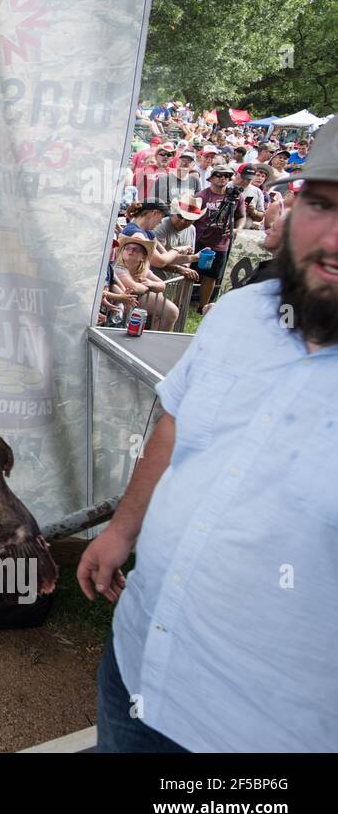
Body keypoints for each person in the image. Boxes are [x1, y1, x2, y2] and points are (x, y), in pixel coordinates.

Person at [78, 160, 338, 752]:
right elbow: (176, 424)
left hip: (263, 731)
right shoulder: (243, 313)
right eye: (322, 204)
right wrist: (123, 530)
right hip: (139, 663)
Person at [192, 165, 245, 313]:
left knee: (211, 276)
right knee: (192, 273)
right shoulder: (201, 196)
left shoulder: (235, 196)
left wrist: (236, 229)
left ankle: (202, 306)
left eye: (227, 176)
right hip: (201, 240)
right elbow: (191, 220)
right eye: (219, 175)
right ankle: (183, 301)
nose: (223, 178)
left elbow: (241, 217)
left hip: (222, 243)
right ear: (211, 178)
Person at [112, 233, 177, 331]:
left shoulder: (143, 270)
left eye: (136, 249)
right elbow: (134, 288)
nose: (130, 251)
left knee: (171, 312)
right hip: (116, 305)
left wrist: (152, 284)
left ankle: (155, 342)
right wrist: (148, 287)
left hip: (135, 302)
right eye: (127, 248)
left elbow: (162, 285)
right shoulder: (118, 269)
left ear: (143, 257)